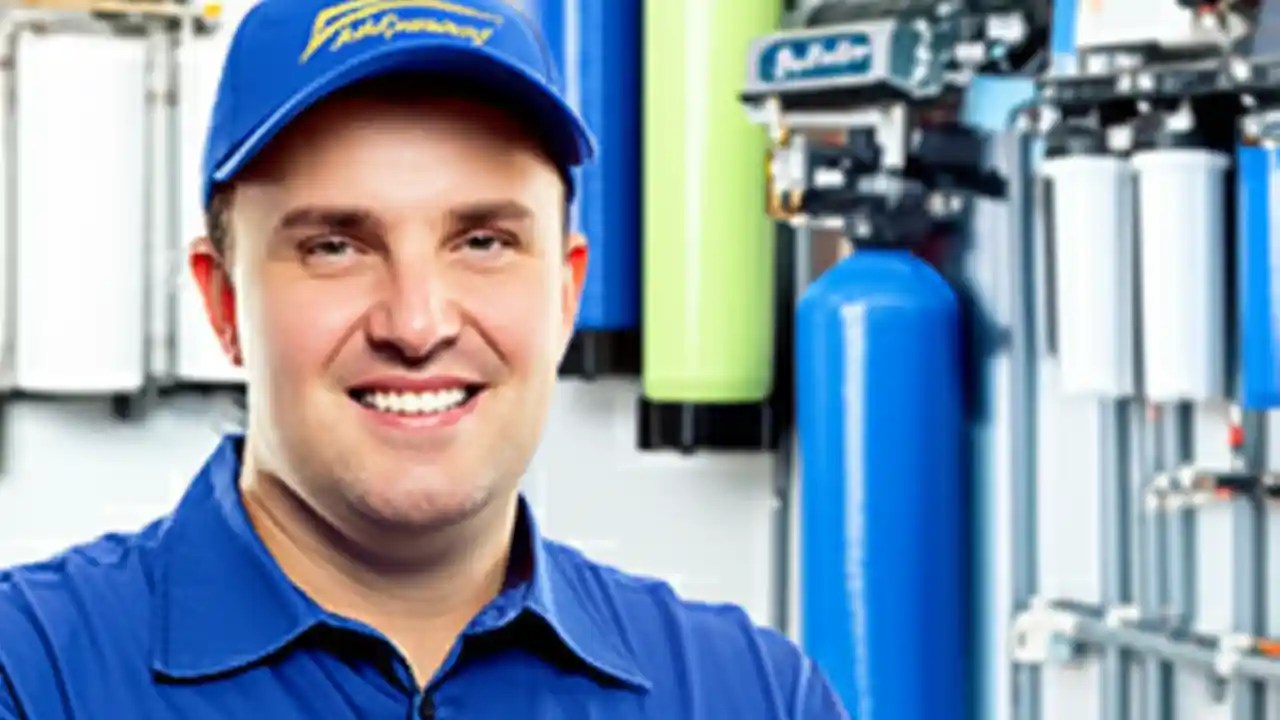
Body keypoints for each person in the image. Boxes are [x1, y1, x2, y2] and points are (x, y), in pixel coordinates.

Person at [0, 0, 849, 717]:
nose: (416, 323)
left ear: (565, 294)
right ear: (224, 303)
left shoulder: (747, 693)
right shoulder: (35, 678)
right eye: (335, 246)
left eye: (483, 241)